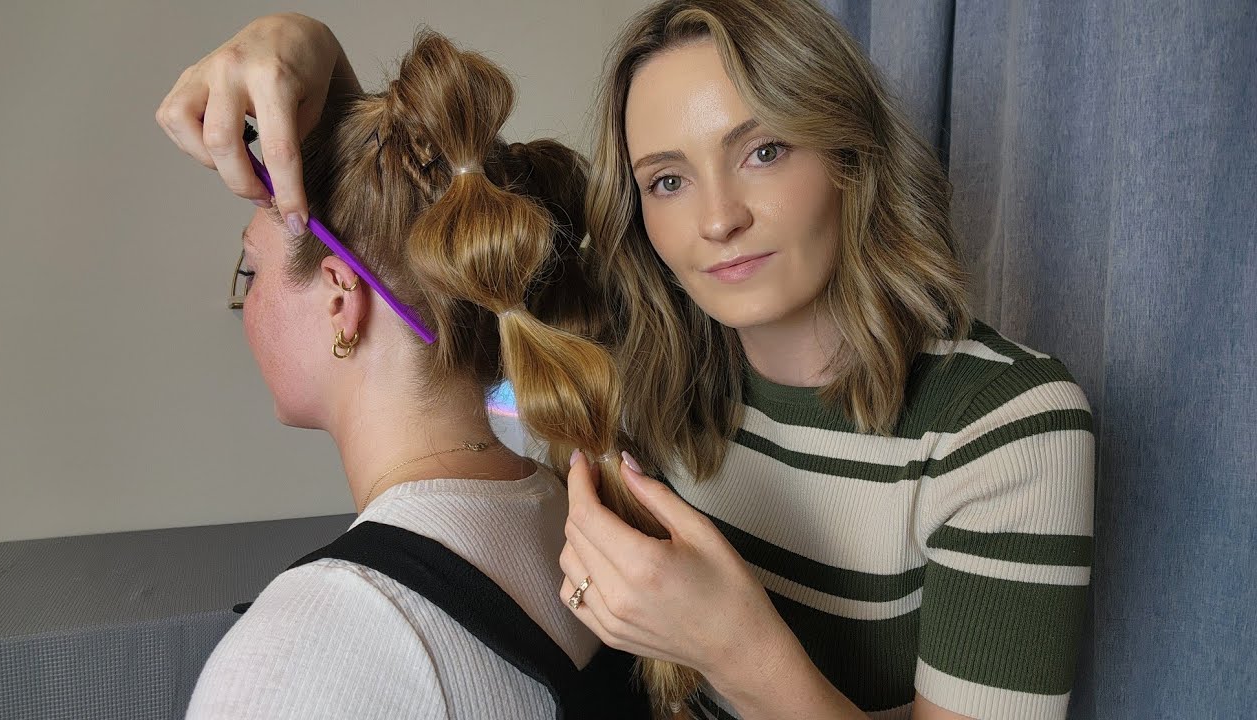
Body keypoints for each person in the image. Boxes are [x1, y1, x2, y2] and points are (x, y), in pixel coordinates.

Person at [158, 3, 1095, 718]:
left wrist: (739, 651)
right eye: (668, 179)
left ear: (851, 153)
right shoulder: (645, 372)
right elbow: (416, 227)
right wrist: (299, 39)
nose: (717, 217)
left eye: (762, 150)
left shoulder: (1006, 428)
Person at [172, 29, 647, 719]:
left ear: (342, 300)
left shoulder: (301, 658)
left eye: (252, 266)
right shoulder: (580, 515)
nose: (248, 297)